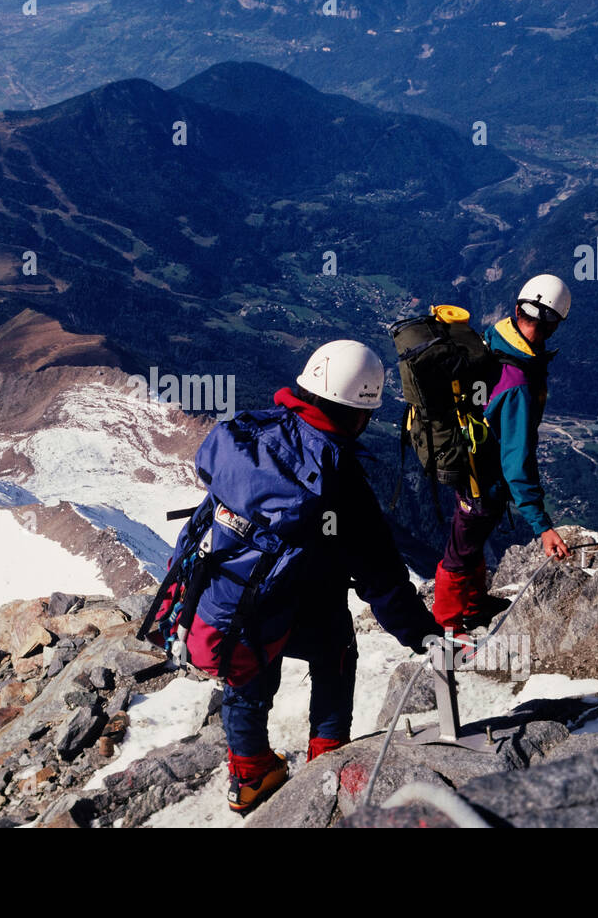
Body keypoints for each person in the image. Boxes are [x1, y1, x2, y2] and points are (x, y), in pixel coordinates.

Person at [173, 339, 440, 814]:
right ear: (358, 413)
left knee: (248, 671)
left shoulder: (249, 433)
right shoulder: (338, 481)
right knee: (337, 650)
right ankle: (327, 760)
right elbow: (380, 577)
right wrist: (423, 635)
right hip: (299, 603)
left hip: (229, 597)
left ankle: (249, 775)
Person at [433, 275, 574, 638]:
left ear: (516, 311)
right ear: (555, 326)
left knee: (472, 539)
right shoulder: (518, 386)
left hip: (470, 463)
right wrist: (542, 526)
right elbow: (517, 463)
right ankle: (447, 625)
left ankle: (474, 605)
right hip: (484, 479)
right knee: (460, 551)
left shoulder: (495, 340)